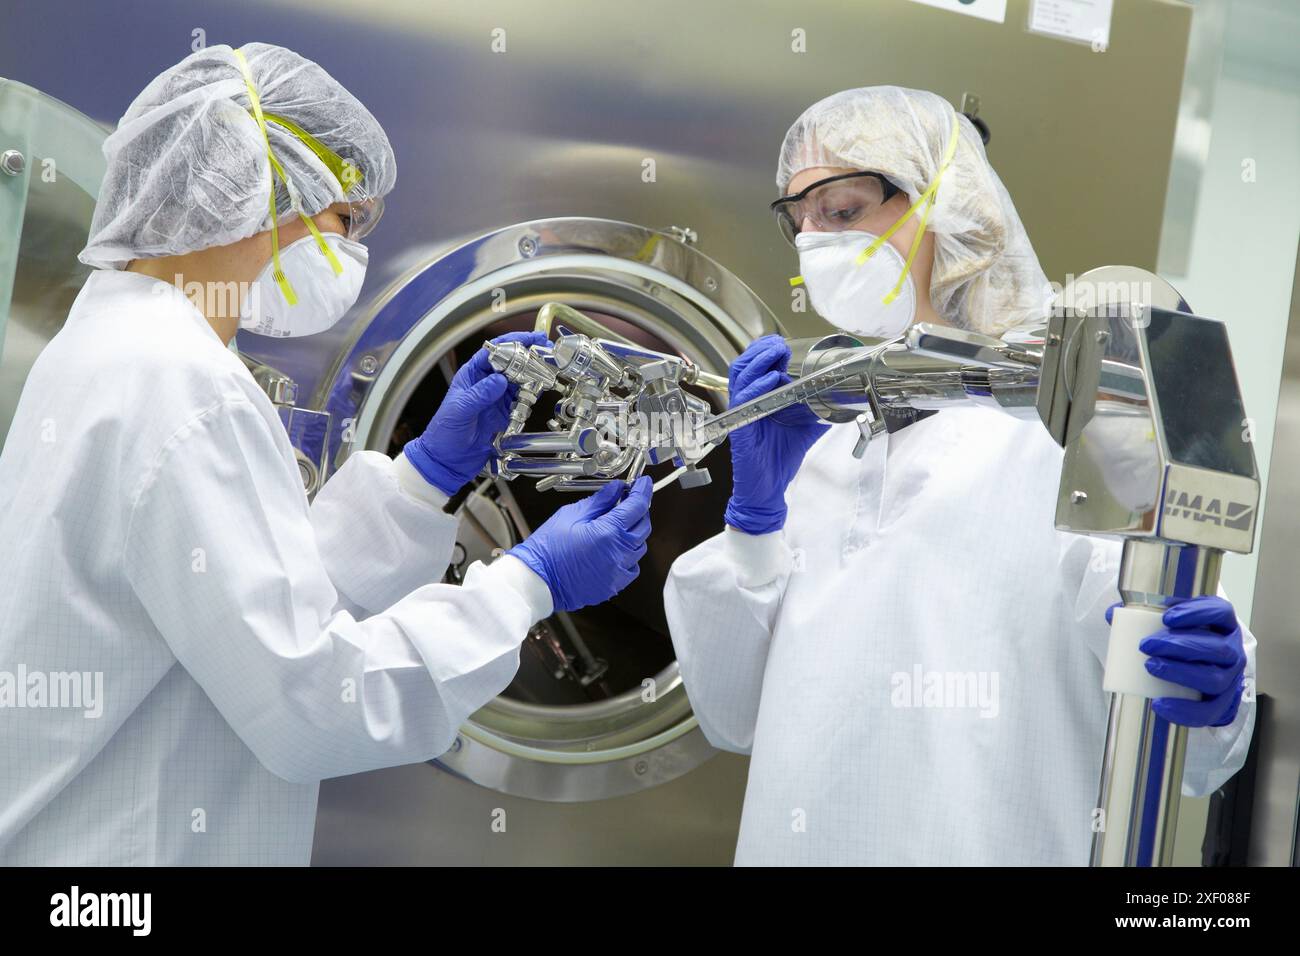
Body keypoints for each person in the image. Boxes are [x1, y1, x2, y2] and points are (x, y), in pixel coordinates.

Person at [0, 43, 652, 865]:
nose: (351, 250)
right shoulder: (180, 383)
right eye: (347, 220)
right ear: (263, 183)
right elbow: (315, 705)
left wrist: (422, 482)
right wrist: (528, 584)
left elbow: (251, 605)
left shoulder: (114, 348)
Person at [664, 86, 1255, 866]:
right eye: (798, 220)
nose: (812, 244)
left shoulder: (1063, 435)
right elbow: (730, 719)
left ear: (952, 207)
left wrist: (1215, 696)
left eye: (841, 211)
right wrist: (752, 522)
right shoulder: (817, 445)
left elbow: (1190, 742)